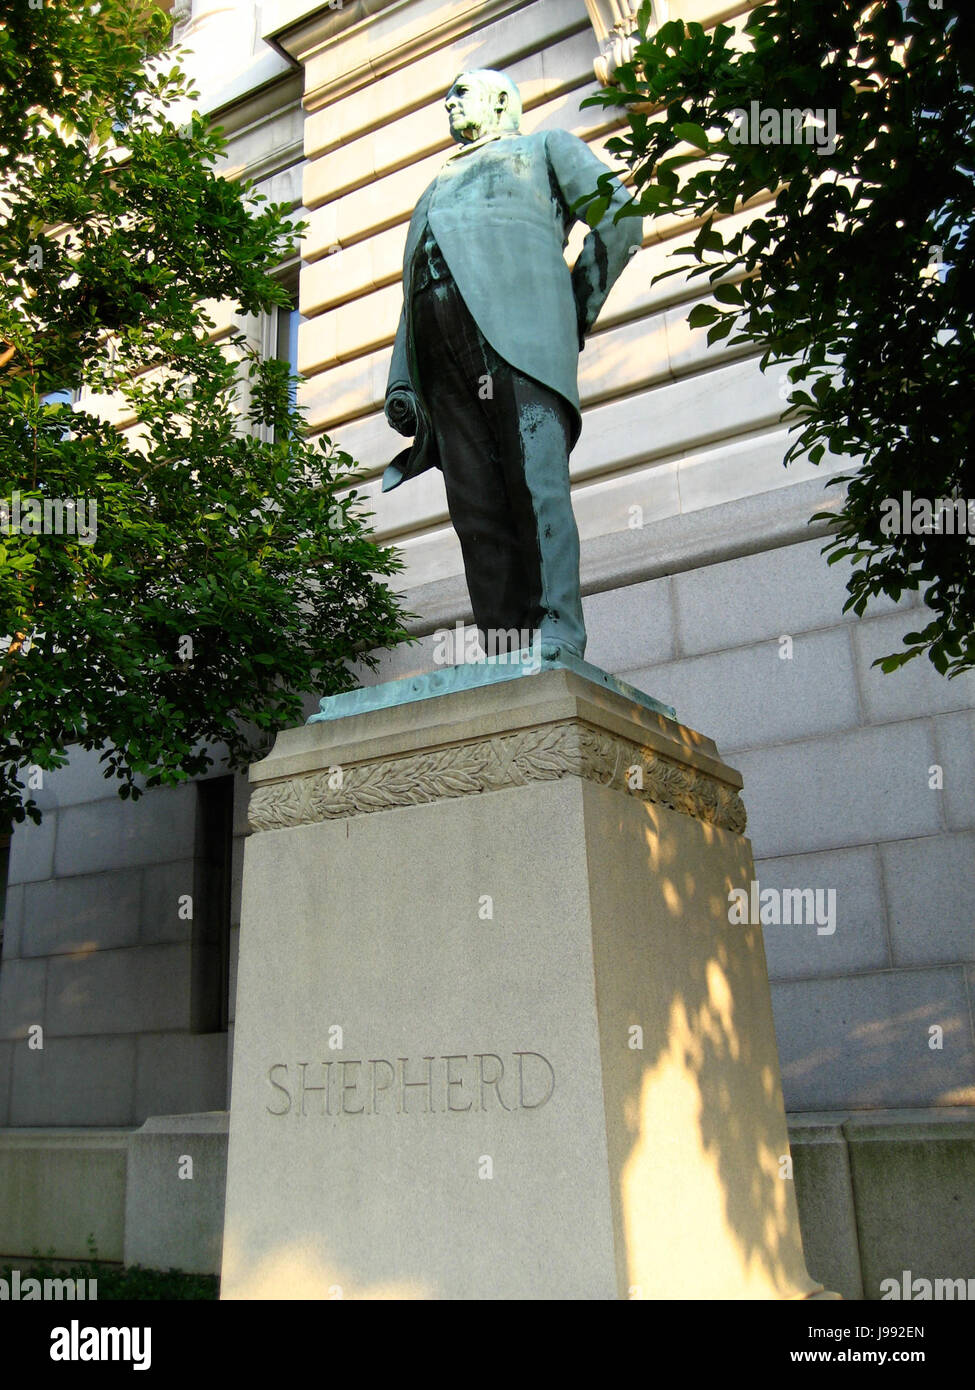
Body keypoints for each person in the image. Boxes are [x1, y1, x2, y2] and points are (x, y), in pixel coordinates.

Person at [383, 69, 641, 660]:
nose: (447, 101)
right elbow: (412, 285)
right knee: (474, 505)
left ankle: (559, 628)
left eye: (459, 91)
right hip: (442, 357)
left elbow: (619, 218)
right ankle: (503, 642)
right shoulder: (433, 184)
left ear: (502, 101)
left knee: (536, 486)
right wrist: (403, 376)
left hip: (521, 343)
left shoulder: (543, 147)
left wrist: (572, 310)